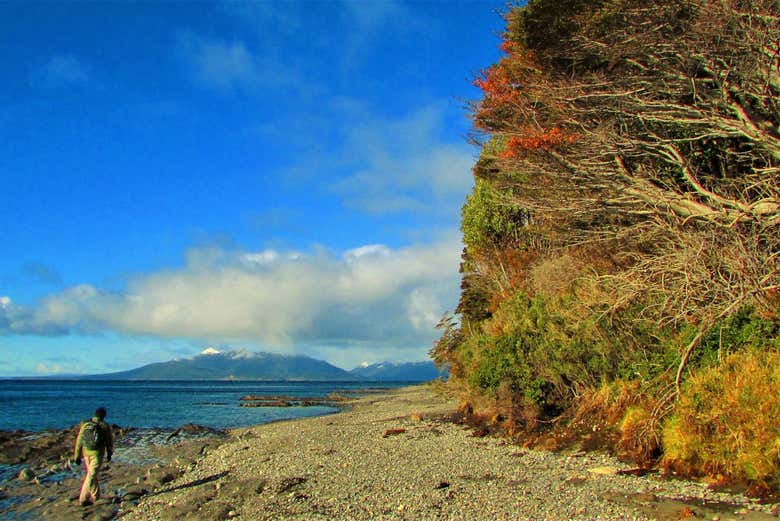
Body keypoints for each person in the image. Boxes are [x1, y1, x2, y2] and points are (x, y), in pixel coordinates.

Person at [72, 407, 114, 506]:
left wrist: (77, 456)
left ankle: (95, 496)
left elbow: (79, 441)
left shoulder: (86, 424)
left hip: (86, 453)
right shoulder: (104, 426)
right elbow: (109, 441)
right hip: (98, 454)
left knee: (91, 474)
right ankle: (83, 498)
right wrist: (109, 453)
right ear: (103, 416)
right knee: (91, 475)